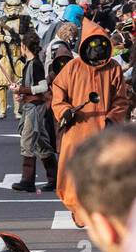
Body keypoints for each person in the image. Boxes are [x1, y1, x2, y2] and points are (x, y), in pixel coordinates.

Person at [51, 19, 131, 225]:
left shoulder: (113, 69)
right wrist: (65, 111)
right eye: (92, 45)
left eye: (101, 45)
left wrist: (112, 119)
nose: (96, 50)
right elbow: (58, 92)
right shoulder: (72, 67)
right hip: (77, 131)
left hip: (103, 133)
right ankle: (78, 209)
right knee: (73, 174)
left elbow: (121, 99)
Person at [11, 33, 57, 192]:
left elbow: (43, 87)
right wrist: (21, 93)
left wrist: (22, 90)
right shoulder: (30, 63)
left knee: (27, 141)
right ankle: (54, 179)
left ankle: (28, 180)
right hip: (31, 105)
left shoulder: (35, 64)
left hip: (35, 107)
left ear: (24, 46)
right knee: (41, 143)